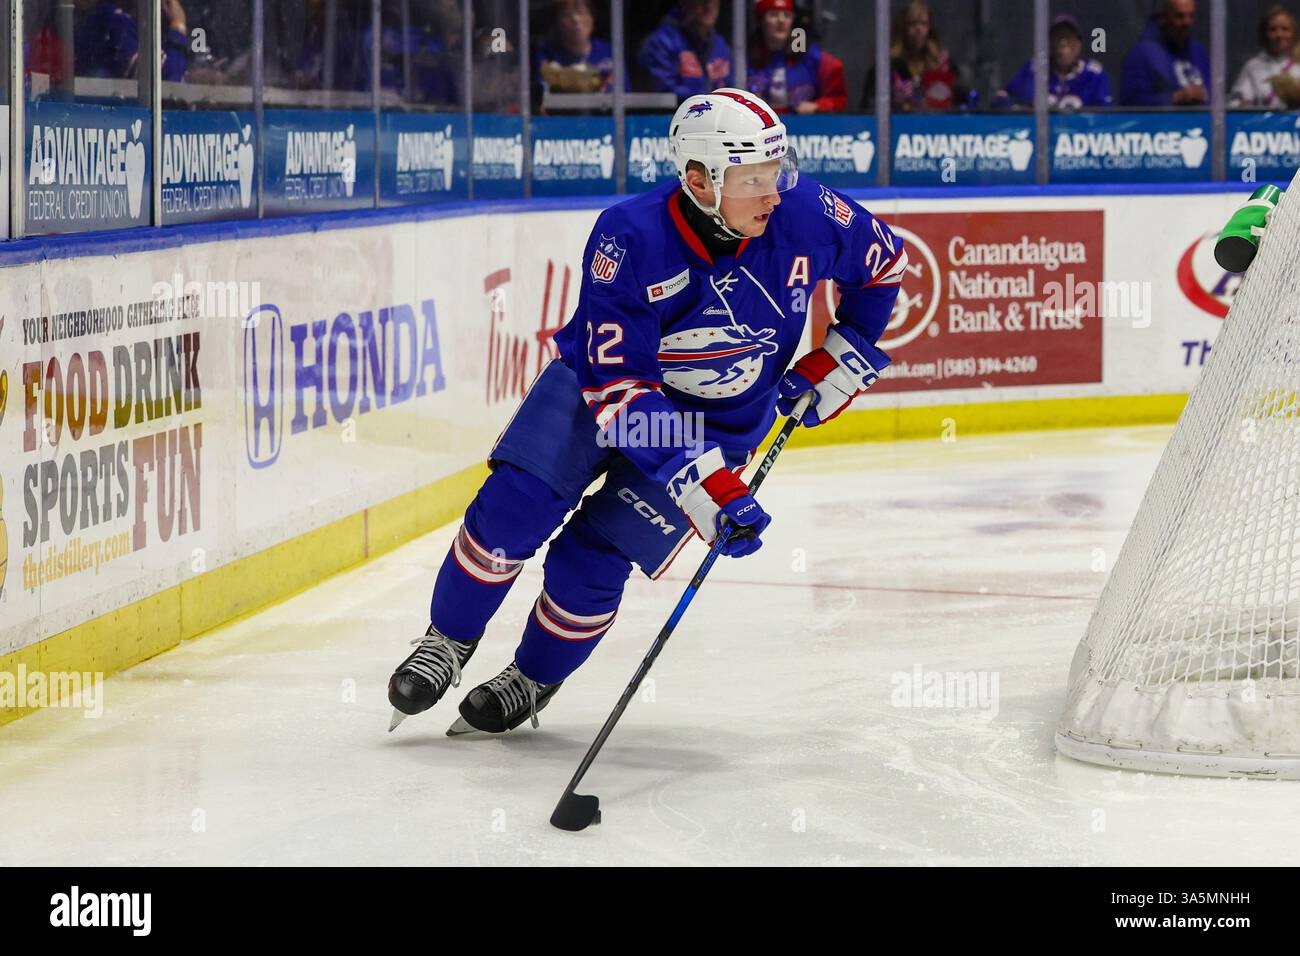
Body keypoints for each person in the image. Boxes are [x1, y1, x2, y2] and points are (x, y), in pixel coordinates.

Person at [387, 87, 907, 736]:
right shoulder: (630, 236)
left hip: (719, 425)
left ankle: (533, 676)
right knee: (517, 505)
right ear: (700, 180)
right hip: (596, 394)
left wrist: (845, 352)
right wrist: (701, 479)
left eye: (777, 172)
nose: (773, 194)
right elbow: (621, 388)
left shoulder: (806, 213)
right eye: (753, 180)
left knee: (594, 558)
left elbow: (885, 264)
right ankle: (448, 638)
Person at [862, 0, 964, 112]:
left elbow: (963, 103)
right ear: (903, 28)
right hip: (899, 121)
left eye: (923, 24)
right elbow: (867, 106)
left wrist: (946, 84)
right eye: (913, 24)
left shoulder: (942, 64)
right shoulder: (887, 67)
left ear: (929, 28)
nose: (918, 29)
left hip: (935, 121)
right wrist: (892, 99)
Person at [747, 0, 847, 113]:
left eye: (787, 15)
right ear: (761, 21)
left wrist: (817, 106)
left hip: (803, 123)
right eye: (773, 15)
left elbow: (839, 98)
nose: (781, 20)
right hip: (756, 122)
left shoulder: (811, 56)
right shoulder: (744, 57)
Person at [995, 14, 1112, 110]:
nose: (1063, 43)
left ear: (1079, 44)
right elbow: (1004, 98)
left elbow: (1105, 117)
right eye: (1058, 36)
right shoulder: (1035, 69)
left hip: (1081, 131)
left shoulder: (1093, 74)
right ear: (1049, 42)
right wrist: (1017, 109)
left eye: (1068, 37)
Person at [1120, 0, 1210, 106]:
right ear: (1163, 18)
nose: (1187, 22)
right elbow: (1129, 103)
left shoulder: (1199, 52)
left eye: (1191, 16)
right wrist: (1175, 98)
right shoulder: (1142, 53)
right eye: (1179, 16)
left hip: (1203, 116)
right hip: (1163, 117)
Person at [73, 0, 190, 81]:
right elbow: (164, 80)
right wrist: (178, 27)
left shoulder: (137, 26)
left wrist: (191, 76)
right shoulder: (114, 22)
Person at [639, 0, 733, 100]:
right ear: (684, 3)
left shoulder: (720, 45)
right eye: (703, 1)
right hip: (680, 109)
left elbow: (733, 87)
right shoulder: (661, 42)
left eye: (714, 2)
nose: (709, 7)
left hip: (715, 107)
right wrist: (710, 101)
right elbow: (665, 93)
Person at [535, 0, 622, 95]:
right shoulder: (547, 54)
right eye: (567, 15)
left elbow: (625, 94)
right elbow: (541, 95)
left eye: (581, 12)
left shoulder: (609, 51)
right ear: (558, 21)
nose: (576, 19)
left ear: (592, 17)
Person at [1230, 4, 1300, 108]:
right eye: (1273, 29)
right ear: (1264, 34)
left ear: (1294, 33)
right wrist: (1244, 105)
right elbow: (1235, 103)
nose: (1279, 34)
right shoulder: (1253, 66)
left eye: (1285, 29)